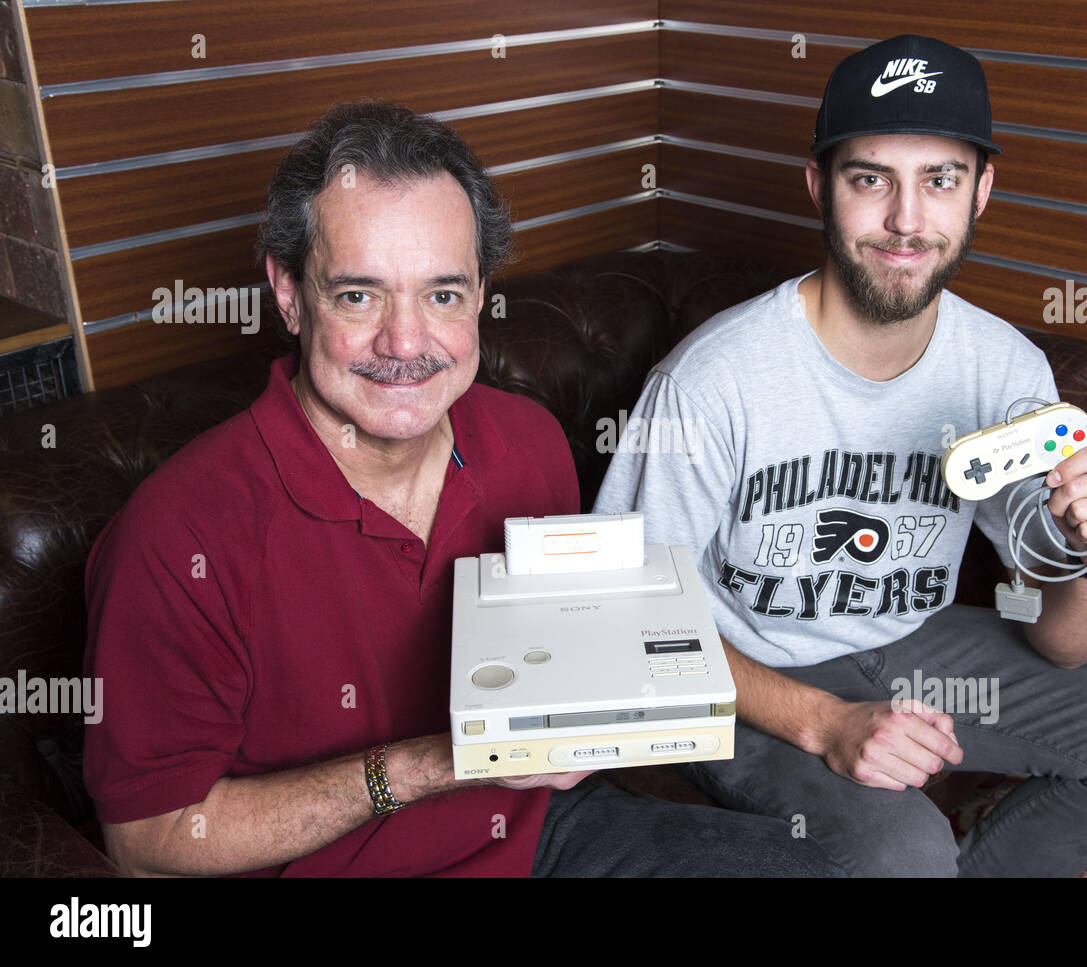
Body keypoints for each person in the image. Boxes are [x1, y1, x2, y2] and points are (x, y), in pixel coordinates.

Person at [83, 101, 841, 877]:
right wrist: (438, 763)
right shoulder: (179, 536)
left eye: (442, 294)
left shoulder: (527, 442)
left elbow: (572, 652)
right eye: (358, 295)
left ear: (480, 293)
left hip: (539, 835)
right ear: (287, 292)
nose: (405, 343)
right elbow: (149, 840)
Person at [593, 36, 1087, 876]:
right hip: (749, 672)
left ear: (981, 191)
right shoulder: (712, 380)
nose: (905, 219)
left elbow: (1065, 646)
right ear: (821, 187)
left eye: (940, 179)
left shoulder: (1004, 371)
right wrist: (824, 721)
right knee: (902, 850)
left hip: (911, 641)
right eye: (870, 178)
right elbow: (629, 617)